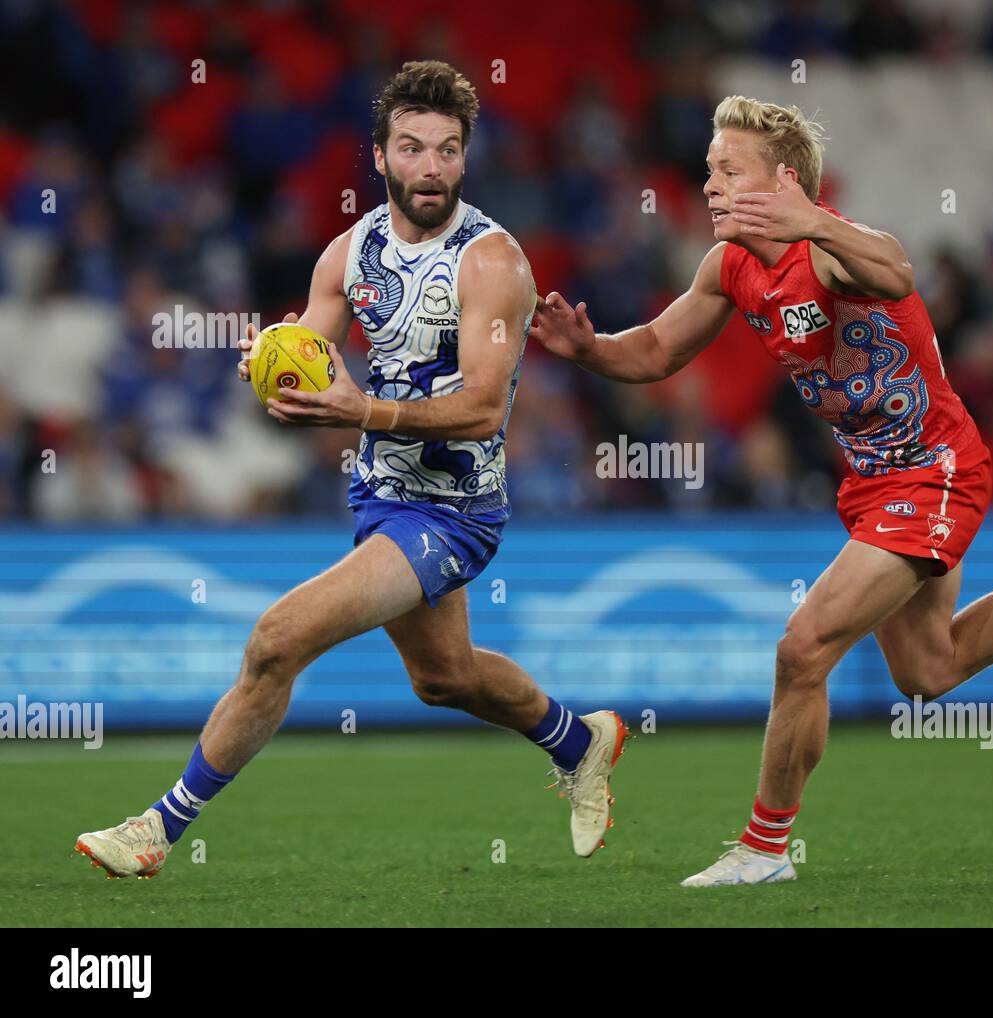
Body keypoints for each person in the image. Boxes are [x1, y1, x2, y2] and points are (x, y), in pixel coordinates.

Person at [530, 95, 993, 887]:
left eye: (729, 171)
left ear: (785, 181)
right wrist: (589, 350)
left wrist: (815, 222)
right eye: (708, 172)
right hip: (875, 480)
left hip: (935, 470)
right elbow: (656, 349)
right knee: (929, 672)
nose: (712, 187)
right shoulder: (728, 265)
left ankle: (764, 850)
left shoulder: (831, 250)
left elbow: (898, 270)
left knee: (803, 650)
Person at [75, 60, 625, 880]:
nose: (429, 167)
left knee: (275, 641)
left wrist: (361, 411)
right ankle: (581, 742)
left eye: (446, 150)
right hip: (380, 494)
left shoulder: (494, 263)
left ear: (466, 159)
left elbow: (482, 407)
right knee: (445, 680)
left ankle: (157, 827)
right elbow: (311, 353)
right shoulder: (347, 252)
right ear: (380, 156)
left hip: (453, 511)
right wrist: (270, 368)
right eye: (412, 148)